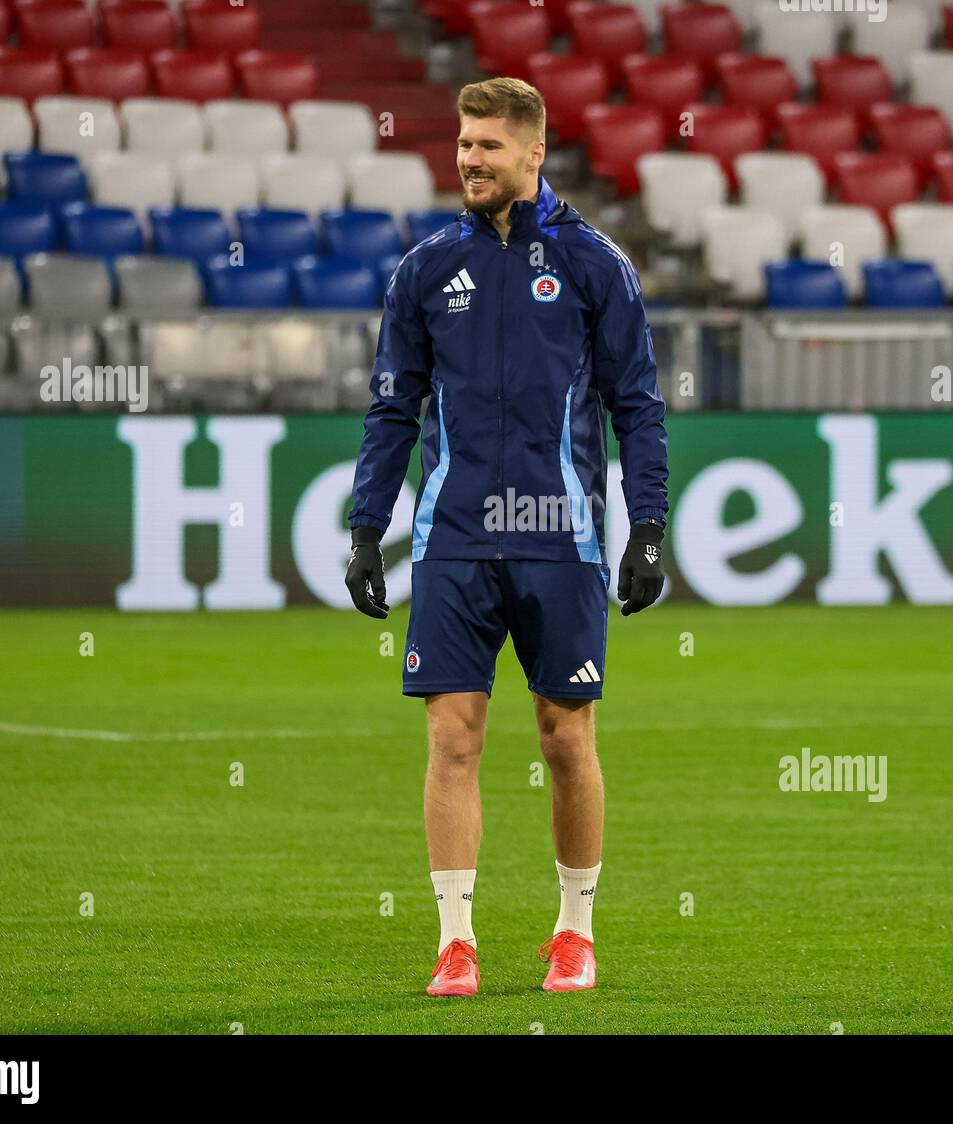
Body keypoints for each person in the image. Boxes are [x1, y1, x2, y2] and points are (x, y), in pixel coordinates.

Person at [345, 77, 669, 996]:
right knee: (453, 739)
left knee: (566, 739)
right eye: (462, 144)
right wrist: (369, 528)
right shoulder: (423, 269)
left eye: (487, 146)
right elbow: (391, 409)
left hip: (559, 538)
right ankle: (457, 940)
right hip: (451, 539)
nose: (468, 160)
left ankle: (575, 929)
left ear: (534, 154)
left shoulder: (595, 263)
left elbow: (638, 409)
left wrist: (647, 528)